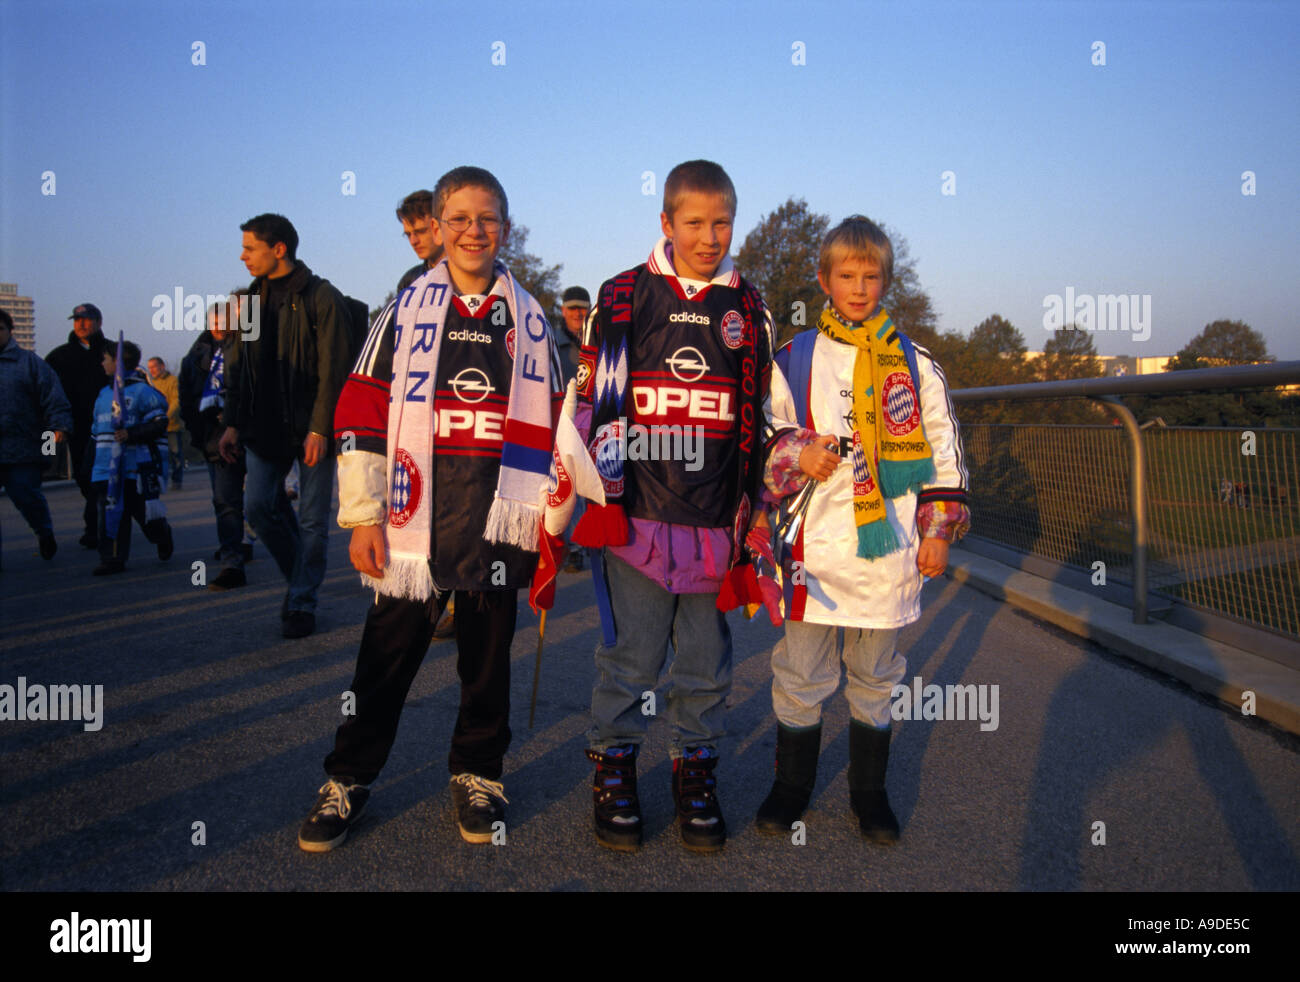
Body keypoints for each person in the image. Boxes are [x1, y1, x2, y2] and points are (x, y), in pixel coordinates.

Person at [297, 166, 561, 852]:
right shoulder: (403, 309)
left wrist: (557, 516)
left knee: (487, 661)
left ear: (507, 227)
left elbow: (561, 422)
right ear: (439, 227)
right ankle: (347, 778)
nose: (475, 231)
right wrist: (362, 516)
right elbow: (358, 407)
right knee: (382, 662)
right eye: (461, 219)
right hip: (413, 525)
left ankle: (478, 772)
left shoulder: (531, 320)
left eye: (489, 219)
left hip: (499, 523)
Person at [573, 160, 774, 854]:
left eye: (723, 222)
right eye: (695, 223)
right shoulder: (623, 294)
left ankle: (696, 772)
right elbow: (593, 397)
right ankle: (615, 769)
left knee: (705, 661)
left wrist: (760, 511)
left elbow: (763, 415)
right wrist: (574, 484)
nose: (710, 236)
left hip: (717, 518)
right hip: (638, 514)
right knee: (629, 655)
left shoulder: (750, 306)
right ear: (666, 222)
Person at [757, 215, 970, 843]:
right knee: (801, 671)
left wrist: (938, 527)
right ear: (824, 279)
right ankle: (791, 786)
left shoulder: (917, 363)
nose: (858, 287)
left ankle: (868, 793)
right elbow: (764, 430)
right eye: (845, 275)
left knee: (877, 673)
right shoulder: (793, 358)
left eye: (870, 276)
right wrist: (799, 452)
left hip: (891, 547)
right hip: (813, 546)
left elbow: (944, 449)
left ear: (885, 280)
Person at [219, 214, 354, 638]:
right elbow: (237, 368)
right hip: (263, 428)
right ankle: (301, 578)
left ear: (278, 248)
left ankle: (301, 602)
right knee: (258, 507)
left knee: (313, 521)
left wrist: (320, 428)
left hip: (312, 426)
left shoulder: (322, 296)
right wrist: (231, 424)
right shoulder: (251, 303)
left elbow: (336, 370)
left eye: (250, 247)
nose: (242, 256)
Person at [395, 189, 454, 639]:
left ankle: (450, 597)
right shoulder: (410, 285)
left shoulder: (478, 280)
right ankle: (425, 596)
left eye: (421, 229)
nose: (415, 239)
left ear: (440, 224)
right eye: (407, 233)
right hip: (420, 416)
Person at [89, 339, 174, 575]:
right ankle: (112, 558)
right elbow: (95, 433)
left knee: (144, 515)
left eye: (105, 359)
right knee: (110, 513)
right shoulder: (104, 394)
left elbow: (159, 424)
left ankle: (162, 534)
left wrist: (132, 434)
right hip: (106, 469)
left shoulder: (143, 392)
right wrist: (90, 465)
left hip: (135, 469)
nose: (102, 363)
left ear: (117, 362)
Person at [180, 297, 249, 589]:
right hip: (213, 438)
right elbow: (187, 400)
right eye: (214, 318)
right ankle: (232, 559)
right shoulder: (194, 357)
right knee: (225, 500)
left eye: (225, 318)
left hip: (250, 433)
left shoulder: (247, 347)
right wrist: (200, 434)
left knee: (264, 501)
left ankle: (254, 543)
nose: (219, 324)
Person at [0, 307, 73, 565]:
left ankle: (44, 531)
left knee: (25, 494)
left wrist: (59, 426)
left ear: (10, 331)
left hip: (24, 445)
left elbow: (53, 396)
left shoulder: (29, 363)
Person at [45, 302, 110, 548]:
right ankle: (96, 521)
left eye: (87, 319)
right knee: (84, 477)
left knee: (102, 477)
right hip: (77, 426)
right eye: (77, 320)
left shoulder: (111, 350)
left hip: (109, 426)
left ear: (99, 322)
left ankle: (97, 527)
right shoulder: (59, 356)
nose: (81, 324)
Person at [556, 286, 591, 573]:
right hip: (560, 423)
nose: (579, 313)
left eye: (584, 307)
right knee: (566, 486)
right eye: (573, 307)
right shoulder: (550, 344)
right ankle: (570, 545)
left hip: (592, 421)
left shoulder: (599, 341)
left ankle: (583, 543)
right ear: (563, 310)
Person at [395, 189, 445, 293]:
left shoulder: (473, 273)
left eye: (421, 231)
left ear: (439, 227)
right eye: (408, 234)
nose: (413, 241)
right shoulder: (409, 282)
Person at [147, 357, 184, 489]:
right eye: (149, 368)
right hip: (155, 427)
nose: (152, 370)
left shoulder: (173, 381)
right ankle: (159, 481)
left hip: (171, 425)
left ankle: (177, 481)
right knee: (157, 456)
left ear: (162, 366)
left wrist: (166, 417)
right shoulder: (151, 384)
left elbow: (176, 401)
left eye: (154, 367)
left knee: (175, 454)